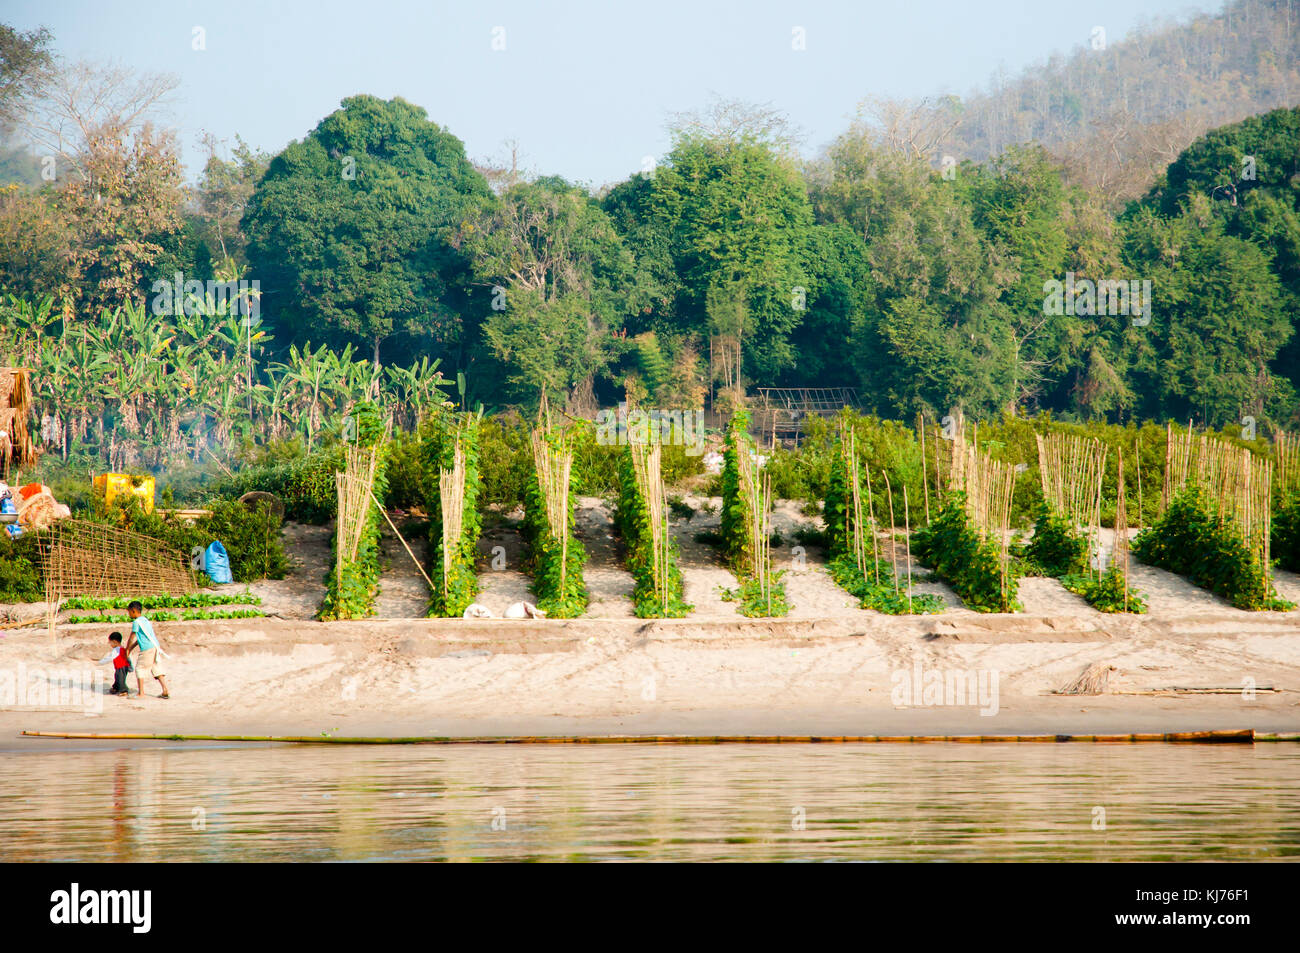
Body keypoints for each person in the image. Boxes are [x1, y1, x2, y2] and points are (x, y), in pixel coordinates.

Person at [124, 601, 171, 699]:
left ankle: (141, 693)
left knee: (139, 669)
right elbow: (141, 638)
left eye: (129, 612)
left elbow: (132, 637)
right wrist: (131, 648)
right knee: (156, 668)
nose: (128, 614)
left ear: (133, 611)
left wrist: (127, 649)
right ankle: (165, 690)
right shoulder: (145, 620)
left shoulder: (136, 622)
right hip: (154, 646)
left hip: (147, 649)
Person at [99, 631, 132, 696]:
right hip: (123, 667)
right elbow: (128, 658)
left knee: (120, 678)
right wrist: (130, 666)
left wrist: (100, 662)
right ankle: (116, 688)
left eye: (110, 643)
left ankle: (123, 691)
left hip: (121, 667)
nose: (110, 644)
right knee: (118, 677)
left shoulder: (116, 650)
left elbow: (110, 658)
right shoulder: (122, 648)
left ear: (115, 642)